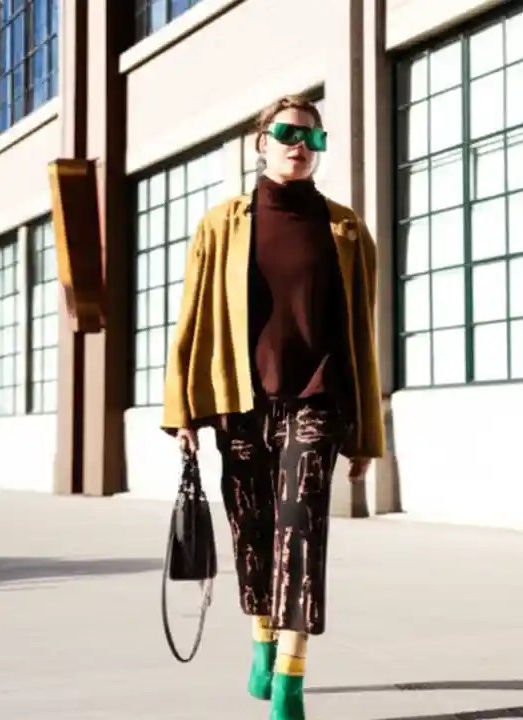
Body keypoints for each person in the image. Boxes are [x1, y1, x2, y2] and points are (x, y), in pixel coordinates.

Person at [161, 94, 385, 719]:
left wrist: (365, 432)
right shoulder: (221, 224)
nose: (300, 147)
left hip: (317, 399)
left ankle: (289, 678)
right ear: (259, 141)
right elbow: (194, 320)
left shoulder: (345, 230)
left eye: (313, 139)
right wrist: (184, 408)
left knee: (303, 529)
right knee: (253, 533)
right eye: (288, 134)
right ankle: (263, 637)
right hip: (241, 403)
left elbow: (362, 338)